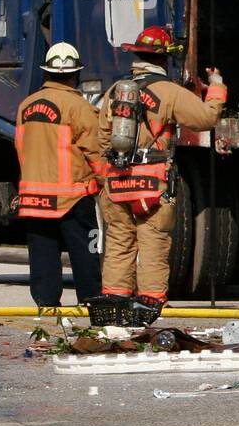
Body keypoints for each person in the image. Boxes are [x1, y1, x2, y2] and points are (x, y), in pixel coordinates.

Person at [97, 26, 226, 305]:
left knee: (118, 243)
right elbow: (205, 119)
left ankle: (115, 304)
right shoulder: (169, 92)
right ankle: (150, 305)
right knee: (153, 243)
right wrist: (216, 86)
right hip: (151, 185)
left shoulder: (115, 92)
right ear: (164, 60)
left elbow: (102, 138)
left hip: (117, 182)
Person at [15, 43, 104, 306]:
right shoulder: (79, 108)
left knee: (42, 255)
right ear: (75, 74)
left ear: (47, 73)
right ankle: (91, 303)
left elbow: (20, 147)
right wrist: (105, 181)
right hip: (72, 197)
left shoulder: (26, 105)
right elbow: (95, 151)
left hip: (34, 196)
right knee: (85, 254)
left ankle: (47, 306)